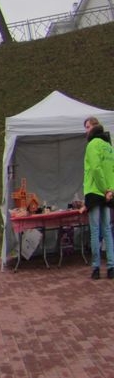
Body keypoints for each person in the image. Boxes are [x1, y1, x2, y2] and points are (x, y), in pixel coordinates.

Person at [82, 116, 114, 279]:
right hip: (108, 193)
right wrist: (110, 190)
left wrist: (102, 189)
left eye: (87, 127)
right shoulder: (109, 146)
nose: (86, 131)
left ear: (94, 127)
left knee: (95, 231)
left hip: (95, 191)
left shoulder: (92, 145)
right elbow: (112, 169)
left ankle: (95, 268)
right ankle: (111, 266)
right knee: (107, 229)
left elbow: (95, 168)